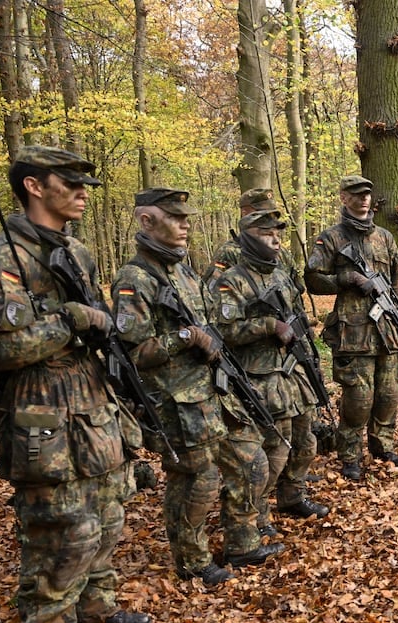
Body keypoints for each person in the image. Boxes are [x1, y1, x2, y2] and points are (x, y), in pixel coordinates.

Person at [0, 146, 148, 623]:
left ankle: (97, 603)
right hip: (40, 409)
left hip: (91, 399)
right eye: (68, 184)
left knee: (110, 510)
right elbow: (6, 349)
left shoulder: (78, 252)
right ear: (33, 185)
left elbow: (98, 326)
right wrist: (70, 319)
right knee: (60, 522)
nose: (80, 194)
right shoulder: (6, 257)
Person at [112, 188, 282, 587]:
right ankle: (193, 561)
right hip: (177, 402)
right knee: (195, 481)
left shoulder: (186, 272)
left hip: (213, 393)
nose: (185, 224)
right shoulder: (134, 279)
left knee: (251, 460)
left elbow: (212, 327)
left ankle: (242, 542)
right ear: (146, 221)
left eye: (187, 217)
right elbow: (130, 352)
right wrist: (184, 337)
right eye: (175, 217)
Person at [214, 210, 329, 530]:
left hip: (291, 370)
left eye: (278, 234)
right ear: (249, 235)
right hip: (257, 376)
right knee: (273, 447)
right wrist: (267, 326)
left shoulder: (280, 275)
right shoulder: (230, 281)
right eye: (268, 234)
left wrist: (307, 354)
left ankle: (293, 495)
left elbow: (295, 318)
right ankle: (258, 513)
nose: (276, 240)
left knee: (306, 440)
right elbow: (224, 332)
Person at [305, 175, 398, 478]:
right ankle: (350, 454)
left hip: (387, 330)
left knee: (388, 394)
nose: (364, 199)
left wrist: (397, 307)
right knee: (358, 400)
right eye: (356, 194)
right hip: (353, 333)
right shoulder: (332, 238)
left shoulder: (385, 238)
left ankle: (382, 445)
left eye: (367, 193)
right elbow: (311, 277)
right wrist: (346, 279)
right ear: (343, 198)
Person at [205, 187, 302, 292]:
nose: (268, 220)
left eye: (271, 214)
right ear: (244, 213)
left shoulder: (282, 253)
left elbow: (296, 291)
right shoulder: (229, 253)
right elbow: (212, 296)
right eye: (261, 213)